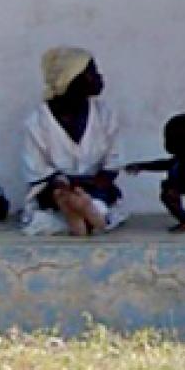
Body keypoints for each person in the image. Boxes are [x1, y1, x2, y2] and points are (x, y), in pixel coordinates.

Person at [22, 47, 125, 237]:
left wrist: (85, 187)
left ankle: (83, 211)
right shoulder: (36, 123)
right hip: (56, 192)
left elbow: (112, 165)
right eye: (91, 73)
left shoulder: (106, 116)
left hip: (95, 189)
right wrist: (65, 189)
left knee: (100, 201)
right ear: (72, 79)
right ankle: (78, 210)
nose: (99, 78)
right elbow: (39, 175)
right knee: (55, 203)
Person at [126, 113, 185, 232]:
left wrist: (174, 187)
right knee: (168, 192)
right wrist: (141, 166)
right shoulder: (183, 157)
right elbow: (163, 164)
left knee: (168, 194)